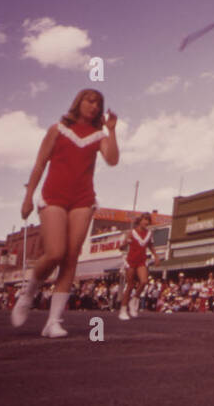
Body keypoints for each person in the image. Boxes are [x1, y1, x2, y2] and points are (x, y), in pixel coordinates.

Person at [12, 89, 119, 338]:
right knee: (55, 252)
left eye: (98, 103)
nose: (93, 106)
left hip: (83, 199)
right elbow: (40, 164)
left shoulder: (98, 135)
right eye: (89, 100)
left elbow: (112, 160)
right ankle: (28, 294)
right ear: (78, 102)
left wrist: (112, 130)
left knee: (70, 257)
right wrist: (28, 197)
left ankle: (53, 321)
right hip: (54, 197)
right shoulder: (57, 129)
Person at [118, 214, 156, 320]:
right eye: (145, 220)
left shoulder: (149, 233)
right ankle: (123, 310)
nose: (147, 222)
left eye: (148, 220)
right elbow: (121, 247)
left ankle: (134, 300)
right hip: (130, 261)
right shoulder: (131, 232)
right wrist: (125, 243)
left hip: (141, 261)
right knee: (130, 285)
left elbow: (150, 246)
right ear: (140, 221)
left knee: (144, 281)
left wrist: (156, 256)